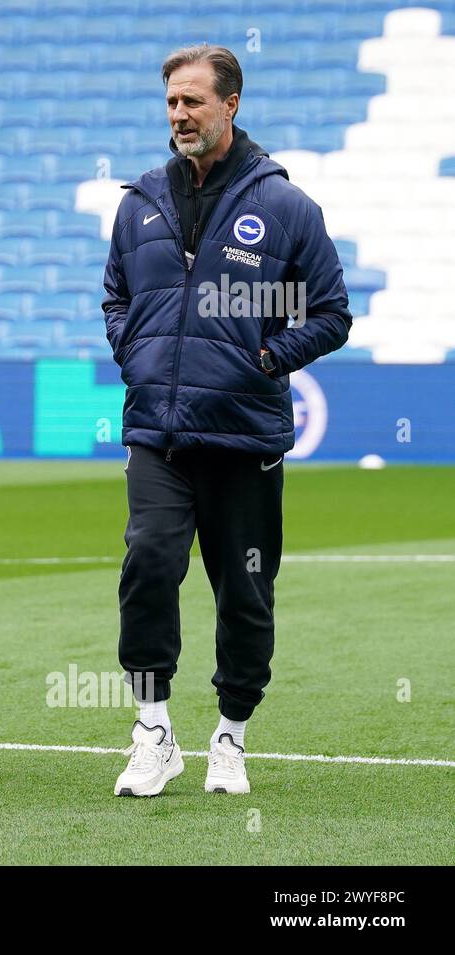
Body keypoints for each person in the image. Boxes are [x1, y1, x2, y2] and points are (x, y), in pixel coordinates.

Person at [102, 45, 352, 796]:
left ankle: (231, 736)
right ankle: (153, 731)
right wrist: (136, 352)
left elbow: (333, 312)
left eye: (193, 102)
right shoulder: (139, 202)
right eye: (172, 102)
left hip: (245, 436)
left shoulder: (285, 207)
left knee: (244, 591)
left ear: (230, 106)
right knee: (148, 561)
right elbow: (117, 297)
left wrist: (268, 360)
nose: (179, 115)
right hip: (158, 431)